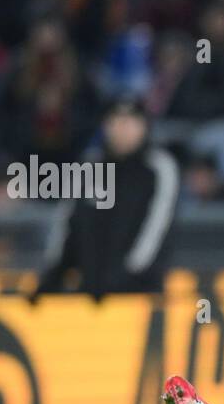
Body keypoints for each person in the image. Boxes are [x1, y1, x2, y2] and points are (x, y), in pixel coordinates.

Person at [34, 98, 179, 299]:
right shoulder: (89, 166)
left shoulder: (158, 167)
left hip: (140, 298)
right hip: (90, 295)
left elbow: (156, 229)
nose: (123, 128)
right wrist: (52, 276)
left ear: (144, 126)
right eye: (116, 121)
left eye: (130, 122)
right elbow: (66, 225)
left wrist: (125, 278)